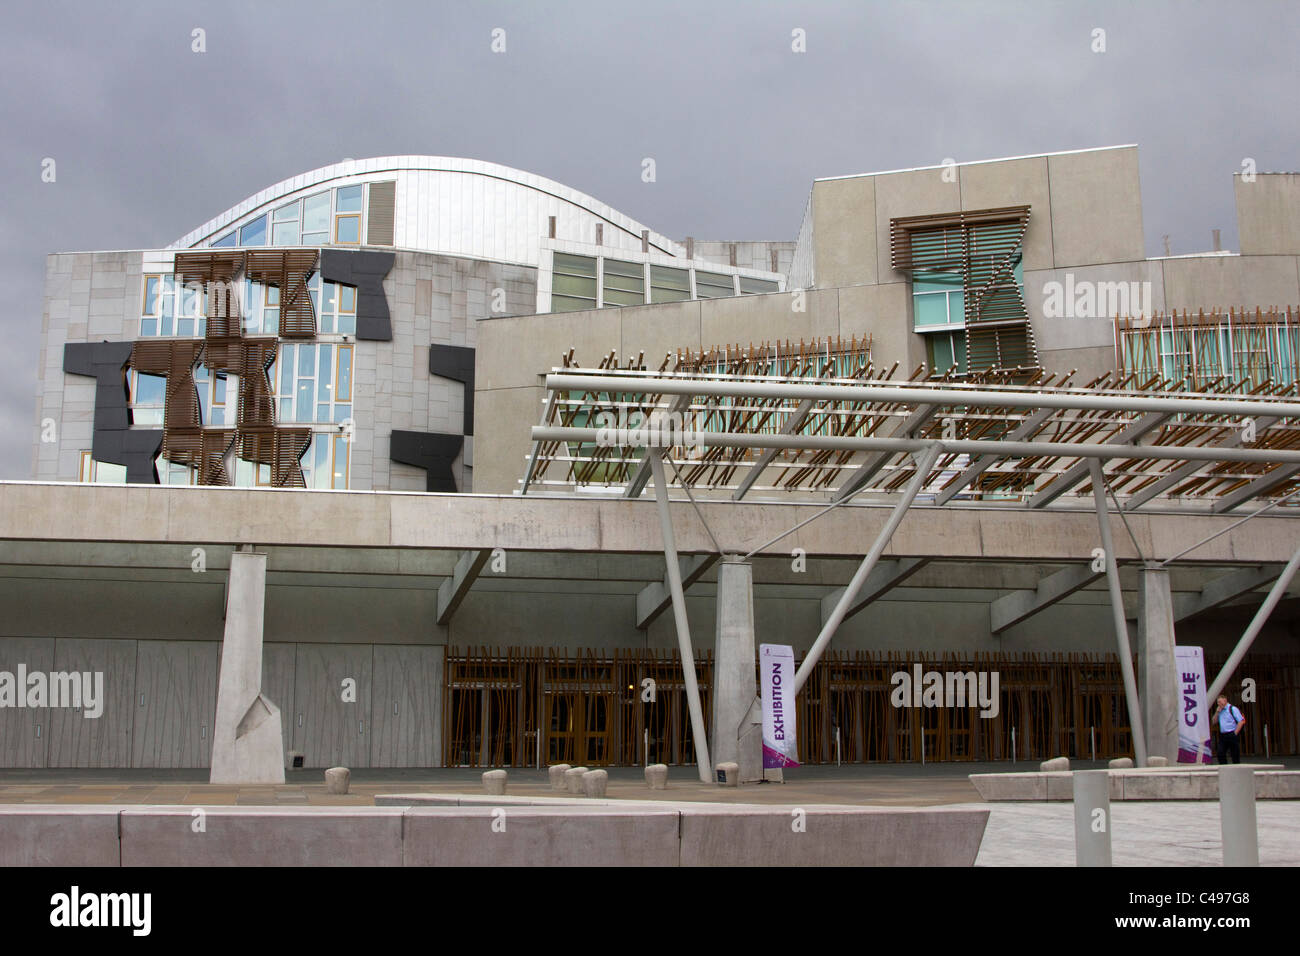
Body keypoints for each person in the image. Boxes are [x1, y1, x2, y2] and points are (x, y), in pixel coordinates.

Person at [1212, 694, 1246, 764]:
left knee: (1234, 754)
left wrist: (1235, 733)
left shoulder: (1232, 709)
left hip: (1232, 733)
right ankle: (1224, 767)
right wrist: (1217, 712)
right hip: (1223, 735)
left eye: (1220, 702)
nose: (1219, 704)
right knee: (1220, 753)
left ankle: (1236, 768)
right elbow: (1214, 722)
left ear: (1225, 700)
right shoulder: (1220, 711)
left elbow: (1241, 721)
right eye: (1218, 702)